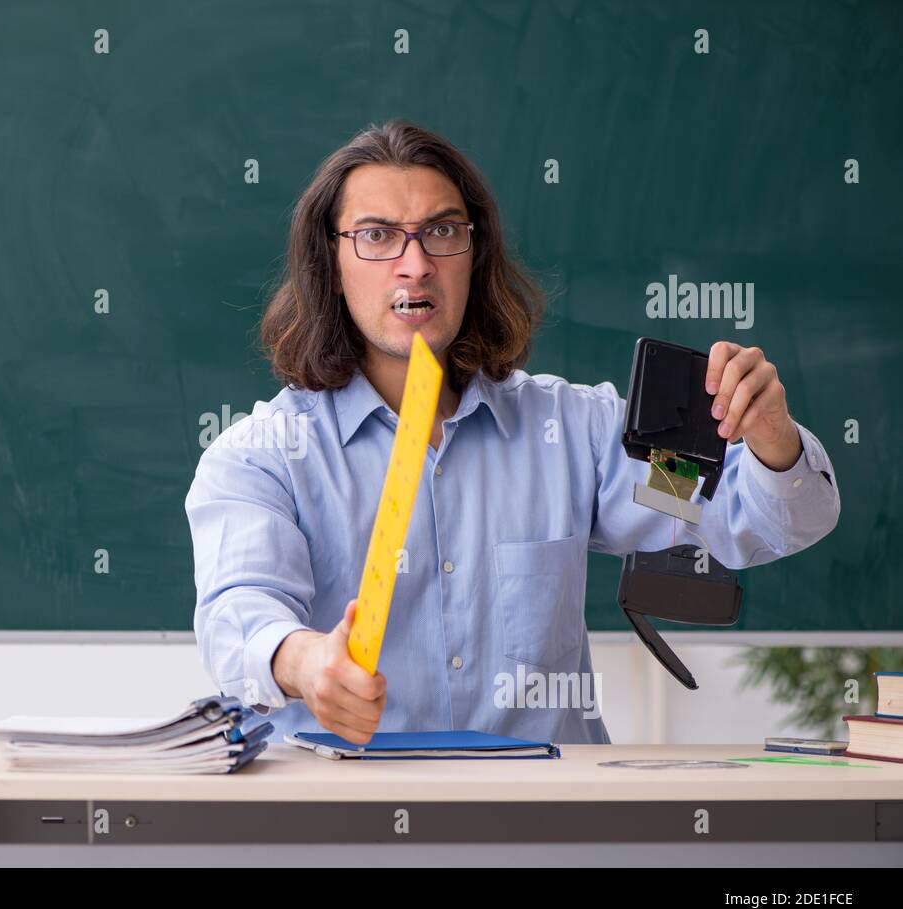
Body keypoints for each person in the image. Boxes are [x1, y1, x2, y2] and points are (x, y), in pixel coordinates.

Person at [184, 119, 840, 745]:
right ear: (331, 261)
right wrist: (305, 663)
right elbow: (238, 612)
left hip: (546, 827)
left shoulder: (573, 440)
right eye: (378, 235)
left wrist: (770, 438)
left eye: (442, 230)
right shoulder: (264, 456)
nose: (414, 264)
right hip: (352, 821)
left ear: (475, 253)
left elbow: (735, 518)